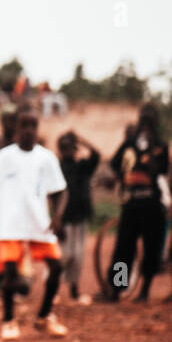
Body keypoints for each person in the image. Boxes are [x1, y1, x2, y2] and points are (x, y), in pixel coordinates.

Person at [0, 108, 68, 338]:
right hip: (11, 224)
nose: (29, 130)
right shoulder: (5, 156)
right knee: (11, 275)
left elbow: (61, 192)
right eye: (24, 125)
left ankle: (44, 316)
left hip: (39, 223)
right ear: (16, 130)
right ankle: (8, 321)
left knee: (56, 268)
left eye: (33, 125)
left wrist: (58, 216)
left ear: (38, 129)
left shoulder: (46, 158)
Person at [105, 104, 169, 302]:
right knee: (123, 249)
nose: (146, 124)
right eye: (143, 119)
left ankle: (144, 292)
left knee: (151, 249)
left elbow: (161, 171)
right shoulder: (129, 144)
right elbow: (114, 164)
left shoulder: (161, 147)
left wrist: (150, 153)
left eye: (150, 120)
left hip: (152, 206)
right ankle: (117, 289)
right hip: (131, 205)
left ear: (156, 123)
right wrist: (114, 178)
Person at [56, 130, 100, 304]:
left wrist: (81, 140)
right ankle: (54, 290)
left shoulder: (83, 166)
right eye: (65, 148)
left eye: (71, 147)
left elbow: (96, 154)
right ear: (60, 150)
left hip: (80, 217)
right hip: (64, 219)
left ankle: (74, 291)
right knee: (63, 255)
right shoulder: (57, 167)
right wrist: (56, 219)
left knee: (78, 256)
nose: (69, 151)